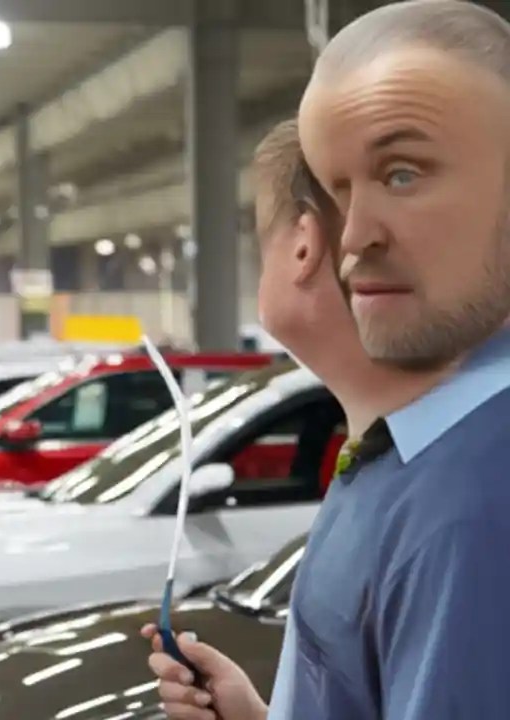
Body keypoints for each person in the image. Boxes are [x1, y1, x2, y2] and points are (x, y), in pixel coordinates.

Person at [147, 3, 510, 717]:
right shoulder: (406, 458)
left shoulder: (471, 502)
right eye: (343, 191)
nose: (355, 239)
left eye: (403, 175)